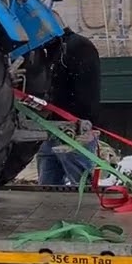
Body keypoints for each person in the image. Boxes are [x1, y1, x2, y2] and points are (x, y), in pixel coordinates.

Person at [35, 29, 102, 187]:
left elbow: (84, 92)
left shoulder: (75, 47)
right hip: (54, 128)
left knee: (80, 184)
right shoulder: (60, 48)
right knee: (48, 185)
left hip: (72, 129)